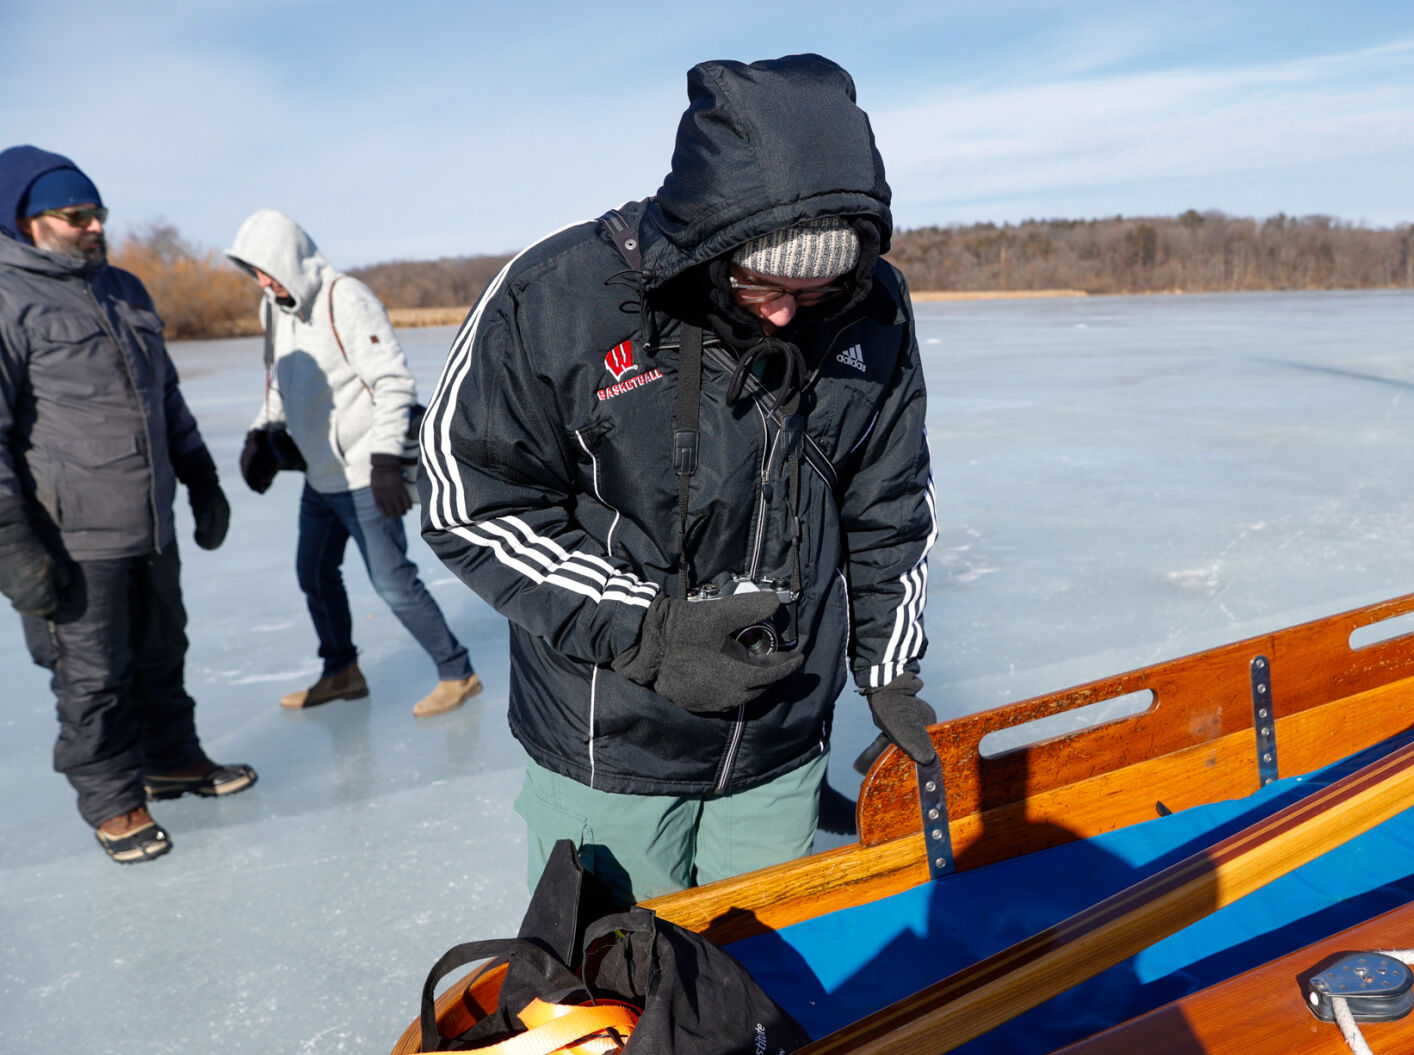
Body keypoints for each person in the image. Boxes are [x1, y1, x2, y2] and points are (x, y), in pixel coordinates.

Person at [421, 54, 939, 900]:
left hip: (781, 735)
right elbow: (471, 503)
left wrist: (888, 672)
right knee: (616, 986)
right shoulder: (557, 299)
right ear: (708, 239)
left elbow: (888, 502)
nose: (781, 314)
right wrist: (649, 632)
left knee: (758, 978)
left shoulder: (871, 308)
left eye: (813, 295)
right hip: (612, 742)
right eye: (759, 285)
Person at [0, 145, 256, 864]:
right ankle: (113, 801)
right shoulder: (7, 299)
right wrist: (11, 540)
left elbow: (165, 397)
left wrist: (201, 476)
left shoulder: (126, 289)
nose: (92, 227)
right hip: (68, 534)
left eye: (98, 214)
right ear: (25, 221)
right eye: (75, 216)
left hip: (148, 520)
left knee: (161, 651)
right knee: (91, 676)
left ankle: (173, 759)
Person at [224, 210, 481, 717]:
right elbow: (279, 381)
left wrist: (385, 460)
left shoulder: (348, 298)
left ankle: (457, 673)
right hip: (322, 476)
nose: (261, 280)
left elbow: (393, 382)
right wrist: (261, 432)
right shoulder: (272, 309)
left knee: (392, 581)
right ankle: (341, 671)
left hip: (364, 472)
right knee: (314, 574)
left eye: (265, 268)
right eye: (251, 270)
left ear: (289, 260)